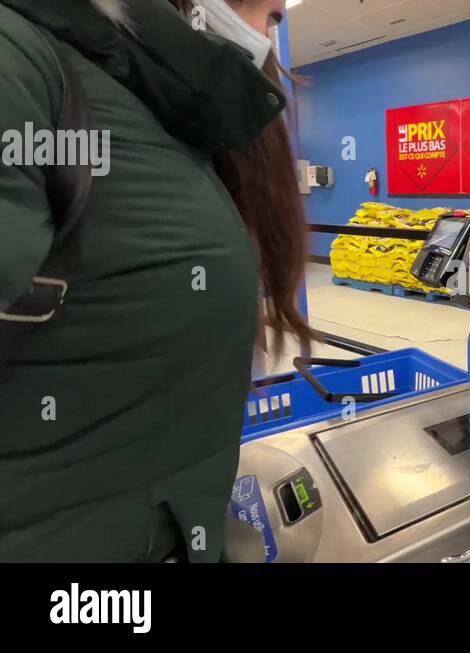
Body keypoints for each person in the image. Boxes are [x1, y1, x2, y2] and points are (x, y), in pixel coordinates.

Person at [0, 0, 310, 561]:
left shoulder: (151, 105)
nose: (266, 27)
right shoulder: (22, 61)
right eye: (265, 14)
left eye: (276, 19)